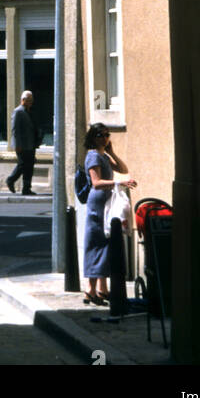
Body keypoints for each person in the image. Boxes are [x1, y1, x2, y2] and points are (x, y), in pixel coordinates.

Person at [82, 124, 136, 304]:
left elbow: (122, 168)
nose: (104, 138)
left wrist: (112, 152)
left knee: (105, 243)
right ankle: (90, 290)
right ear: (93, 137)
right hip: (98, 203)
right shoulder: (93, 156)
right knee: (96, 242)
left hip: (107, 201)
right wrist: (119, 183)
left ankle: (101, 289)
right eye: (100, 135)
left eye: (107, 135)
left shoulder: (104, 155)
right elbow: (96, 182)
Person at [5, 90, 42, 195]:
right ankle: (11, 180)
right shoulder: (18, 111)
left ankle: (26, 188)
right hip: (22, 145)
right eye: (29, 100)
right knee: (22, 164)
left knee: (29, 166)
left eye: (32, 100)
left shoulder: (29, 111)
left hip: (31, 144)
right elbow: (15, 129)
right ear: (23, 100)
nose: (31, 102)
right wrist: (17, 145)